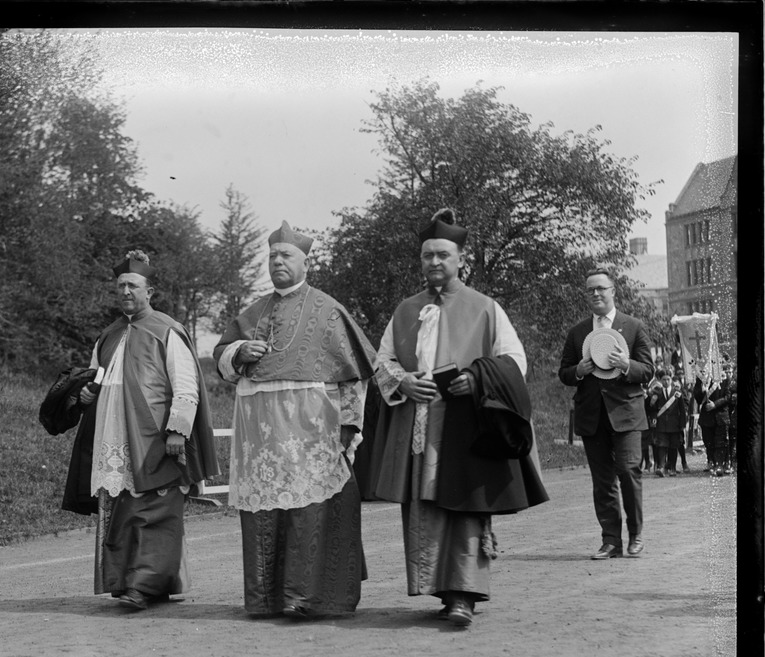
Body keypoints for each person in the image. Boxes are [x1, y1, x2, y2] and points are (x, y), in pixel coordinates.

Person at [367, 208, 548, 628]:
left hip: (466, 424)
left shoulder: (485, 307)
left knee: (466, 506)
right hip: (420, 423)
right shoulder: (405, 309)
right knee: (425, 505)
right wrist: (404, 382)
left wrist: (477, 379)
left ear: (461, 258)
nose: (434, 262)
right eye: (427, 255)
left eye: (443, 255)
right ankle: (437, 587)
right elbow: (383, 360)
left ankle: (463, 594)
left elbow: (514, 360)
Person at [213, 220, 377, 619]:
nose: (277, 262)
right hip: (262, 441)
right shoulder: (254, 311)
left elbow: (354, 376)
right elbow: (221, 360)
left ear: (306, 262)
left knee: (311, 513)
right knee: (265, 515)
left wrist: (349, 427)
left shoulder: (329, 310)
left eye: (286, 255)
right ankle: (266, 600)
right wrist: (237, 352)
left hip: (310, 436)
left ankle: (307, 599)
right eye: (272, 256)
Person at [62, 250, 219, 611]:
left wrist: (178, 429)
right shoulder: (107, 336)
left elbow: (186, 384)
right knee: (120, 510)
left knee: (155, 511)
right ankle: (130, 583)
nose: (126, 291)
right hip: (111, 435)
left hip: (153, 438)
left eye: (133, 285)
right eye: (120, 285)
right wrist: (86, 394)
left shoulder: (167, 330)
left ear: (151, 292)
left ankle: (143, 585)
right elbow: (95, 379)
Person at [559, 266, 655, 559]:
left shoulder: (634, 326)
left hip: (626, 414)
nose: (596, 294)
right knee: (602, 481)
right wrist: (578, 370)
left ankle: (636, 535)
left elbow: (648, 370)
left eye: (601, 288)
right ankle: (611, 540)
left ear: (614, 291)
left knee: (627, 471)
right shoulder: (578, 332)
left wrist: (626, 364)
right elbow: (563, 372)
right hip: (593, 417)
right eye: (591, 290)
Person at [647, 369, 686, 477]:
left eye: (668, 379)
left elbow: (682, 410)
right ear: (660, 380)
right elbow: (652, 409)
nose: (666, 382)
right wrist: (652, 402)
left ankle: (672, 468)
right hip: (661, 424)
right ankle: (661, 467)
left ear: (671, 379)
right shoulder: (657, 393)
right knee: (662, 446)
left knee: (673, 446)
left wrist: (683, 424)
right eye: (663, 379)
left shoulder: (677, 393)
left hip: (674, 424)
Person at [693, 370, 730, 477]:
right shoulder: (702, 379)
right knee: (708, 442)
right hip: (707, 418)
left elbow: (727, 397)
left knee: (720, 442)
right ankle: (712, 462)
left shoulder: (724, 378)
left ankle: (719, 465)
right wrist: (701, 390)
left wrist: (715, 404)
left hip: (720, 416)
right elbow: (698, 398)